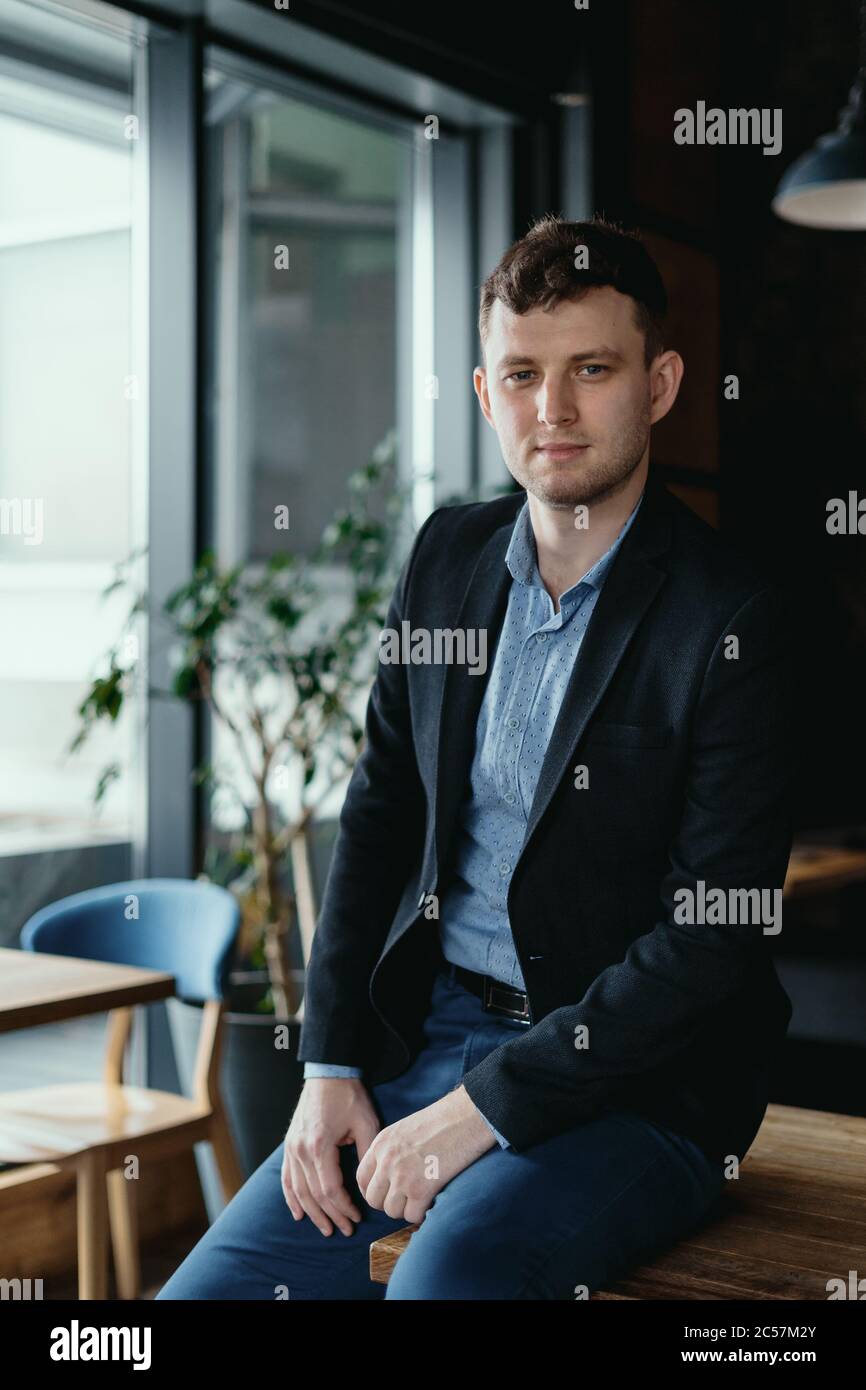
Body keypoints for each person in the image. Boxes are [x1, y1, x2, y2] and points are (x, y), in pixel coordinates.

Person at [157, 213, 793, 1301]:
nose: (551, 409)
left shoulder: (732, 614)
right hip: (431, 1028)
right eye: (521, 374)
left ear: (659, 382)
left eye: (591, 369)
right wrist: (329, 1061)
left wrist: (480, 1109)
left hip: (640, 1082)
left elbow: (708, 942)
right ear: (484, 388)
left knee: (438, 1286)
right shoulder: (447, 556)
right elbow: (378, 812)